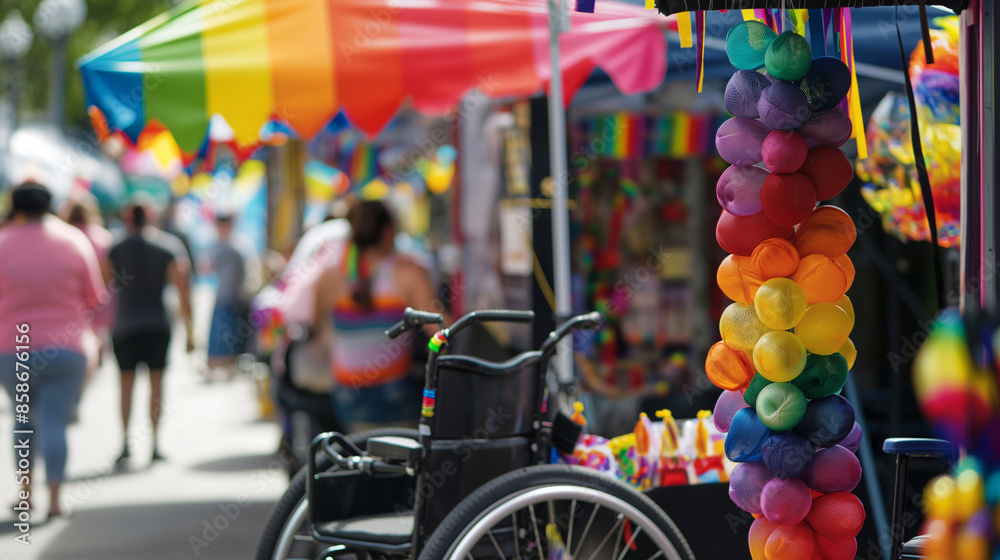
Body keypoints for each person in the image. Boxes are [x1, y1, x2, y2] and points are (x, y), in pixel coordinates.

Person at [0, 182, 106, 518]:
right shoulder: (73, 241)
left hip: (11, 348)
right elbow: (95, 297)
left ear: (16, 208)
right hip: (67, 347)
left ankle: (26, 494)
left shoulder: (2, 243)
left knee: (22, 420)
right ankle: (57, 501)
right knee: (55, 422)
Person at [314, 200, 441, 432]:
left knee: (363, 456)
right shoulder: (407, 272)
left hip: (345, 395)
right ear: (388, 231)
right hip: (394, 394)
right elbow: (440, 332)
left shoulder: (330, 275)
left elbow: (317, 324)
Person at [106, 198, 194, 465]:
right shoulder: (167, 246)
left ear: (127, 217)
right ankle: (155, 443)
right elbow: (182, 289)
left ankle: (124, 442)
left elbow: (105, 283)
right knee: (157, 386)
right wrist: (191, 330)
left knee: (125, 384)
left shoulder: (116, 247)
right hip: (157, 323)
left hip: (124, 325)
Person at [202, 213, 256, 378]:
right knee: (231, 331)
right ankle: (227, 365)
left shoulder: (226, 246)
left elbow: (205, 267)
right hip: (236, 295)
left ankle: (218, 365)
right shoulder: (241, 243)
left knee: (223, 330)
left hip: (228, 295)